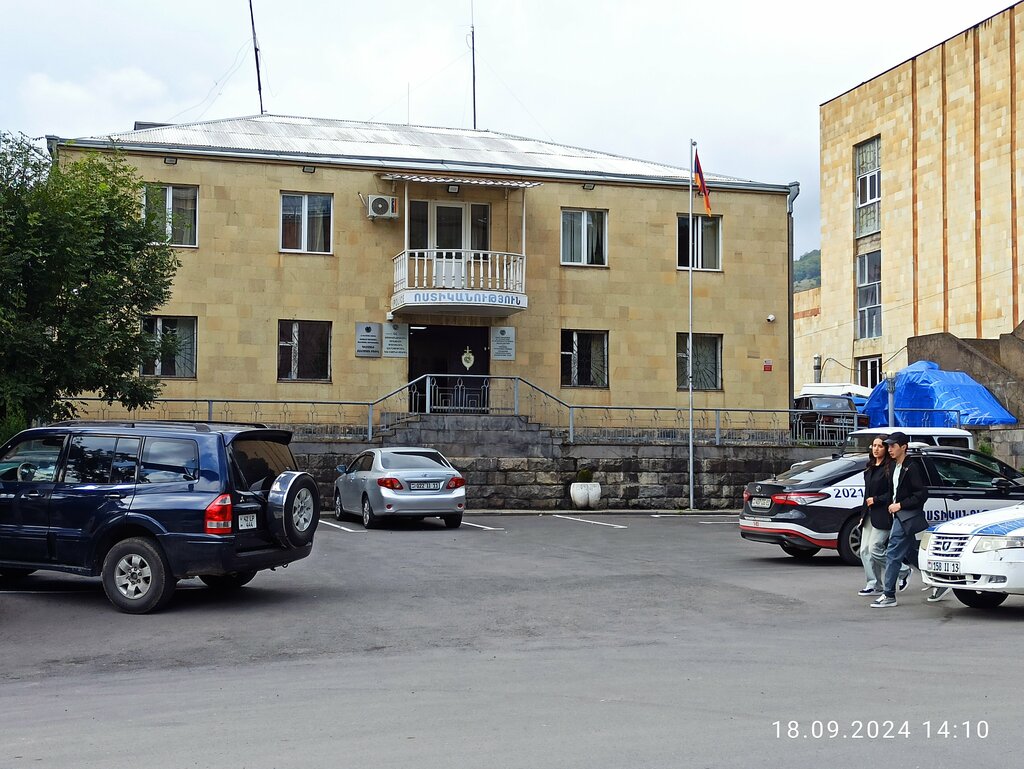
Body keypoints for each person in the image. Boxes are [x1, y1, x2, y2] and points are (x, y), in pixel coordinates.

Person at [871, 431, 930, 608]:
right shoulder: (895, 466)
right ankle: (941, 581)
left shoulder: (911, 467)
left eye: (893, 446)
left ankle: (888, 595)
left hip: (906, 516)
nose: (889, 449)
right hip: (899, 515)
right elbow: (892, 491)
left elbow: (921, 494)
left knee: (893, 552)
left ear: (904, 447)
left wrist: (900, 505)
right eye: (888, 446)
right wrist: (891, 505)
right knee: (912, 553)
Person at [858, 437, 910, 596]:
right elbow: (867, 494)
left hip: (884, 514)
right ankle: (874, 584)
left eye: (880, 446)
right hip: (869, 513)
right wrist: (862, 513)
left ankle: (903, 570)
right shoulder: (870, 468)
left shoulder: (890, 467)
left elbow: (891, 493)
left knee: (875, 548)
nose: (876, 449)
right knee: (864, 551)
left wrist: (877, 500)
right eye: (874, 446)